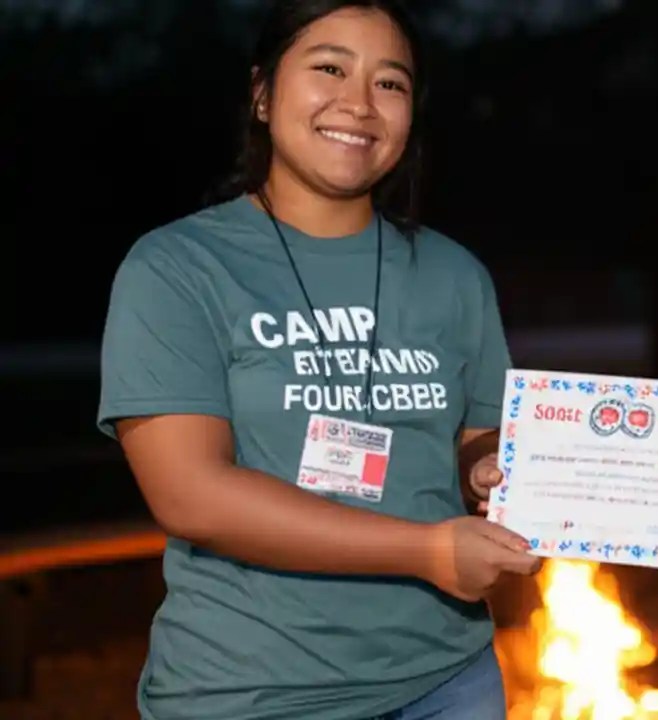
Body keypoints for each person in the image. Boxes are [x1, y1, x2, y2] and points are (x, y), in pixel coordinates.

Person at [96, 2, 540, 719]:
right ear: (263, 93)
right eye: (330, 68)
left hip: (446, 685)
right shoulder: (178, 268)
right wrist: (427, 552)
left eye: (389, 83)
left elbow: (476, 440)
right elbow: (190, 494)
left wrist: (487, 469)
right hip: (250, 694)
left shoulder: (454, 275)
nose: (359, 103)